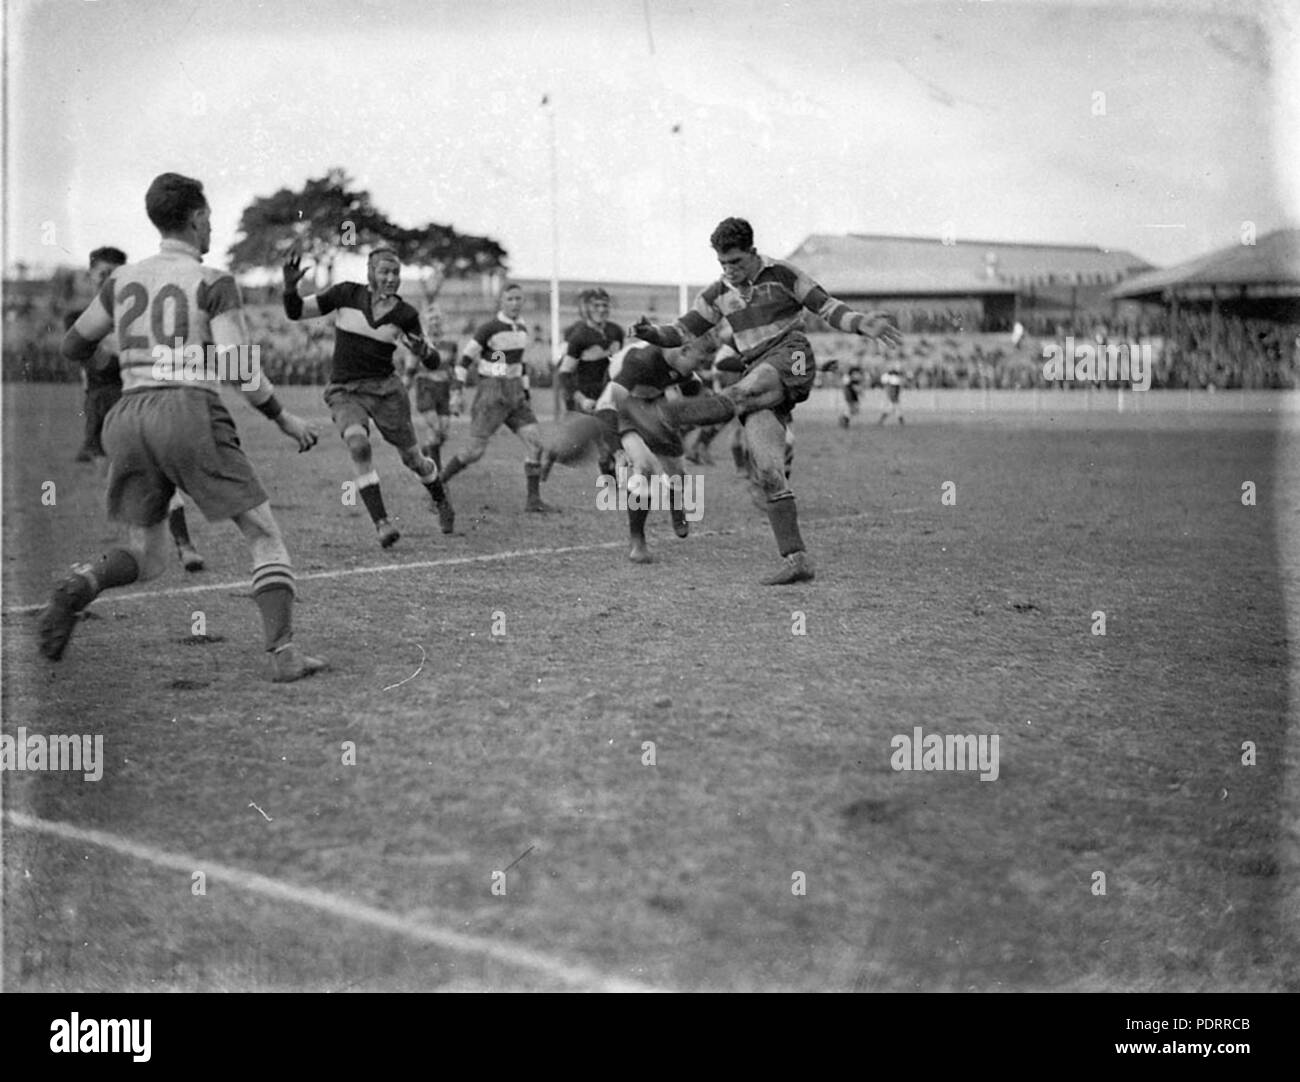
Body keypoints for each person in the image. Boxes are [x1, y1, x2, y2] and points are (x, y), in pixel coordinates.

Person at [40, 172, 325, 681]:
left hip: (126, 417)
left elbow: (73, 346)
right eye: (209, 218)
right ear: (196, 219)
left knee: (146, 555)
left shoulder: (121, 281)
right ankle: (285, 656)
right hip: (187, 410)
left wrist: (124, 362)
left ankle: (82, 583)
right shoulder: (212, 281)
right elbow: (238, 366)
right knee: (262, 533)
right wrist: (282, 416)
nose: (211, 227)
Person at [632, 217, 901, 585]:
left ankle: (667, 415)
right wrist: (651, 333)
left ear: (753, 253)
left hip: (792, 355)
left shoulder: (784, 275)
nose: (730, 270)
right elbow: (681, 331)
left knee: (740, 393)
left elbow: (826, 306)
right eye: (723, 264)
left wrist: (859, 323)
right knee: (770, 473)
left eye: (737, 262)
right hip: (756, 367)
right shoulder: (716, 294)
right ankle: (797, 559)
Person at [283, 246, 454, 541]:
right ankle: (382, 524)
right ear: (370, 273)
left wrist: (424, 350)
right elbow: (296, 311)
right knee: (358, 444)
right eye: (384, 272)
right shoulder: (345, 294)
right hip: (345, 390)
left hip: (386, 391)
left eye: (395, 273)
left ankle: (441, 499)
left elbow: (433, 360)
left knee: (414, 459)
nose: (390, 278)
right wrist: (289, 287)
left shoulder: (406, 314)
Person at [68, 248, 208, 571]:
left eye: (114, 274)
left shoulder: (139, 315)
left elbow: (105, 358)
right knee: (114, 480)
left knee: (154, 475)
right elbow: (92, 358)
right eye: (102, 274)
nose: (108, 279)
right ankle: (139, 548)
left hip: (131, 398)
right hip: (97, 405)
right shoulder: (81, 315)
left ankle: (184, 544)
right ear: (91, 275)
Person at [547, 335, 695, 564]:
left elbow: (692, 390)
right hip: (624, 410)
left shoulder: (680, 362)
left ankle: (677, 506)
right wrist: (616, 449)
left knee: (677, 472)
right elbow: (608, 408)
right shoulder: (635, 365)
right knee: (644, 469)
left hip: (655, 407)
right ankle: (637, 540)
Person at [439, 282, 558, 513]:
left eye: (518, 299)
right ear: (501, 302)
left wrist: (525, 392)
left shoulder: (522, 329)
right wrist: (456, 391)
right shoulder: (489, 329)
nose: (515, 303)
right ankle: (437, 485)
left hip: (515, 394)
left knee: (535, 443)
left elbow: (520, 364)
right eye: (510, 299)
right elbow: (464, 360)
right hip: (491, 392)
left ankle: (533, 501)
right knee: (474, 451)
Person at [405, 303, 457, 477]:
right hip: (425, 387)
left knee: (442, 433)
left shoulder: (450, 343)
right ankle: (438, 474)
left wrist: (458, 393)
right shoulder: (420, 343)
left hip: (444, 390)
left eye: (437, 319)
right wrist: (403, 390)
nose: (434, 322)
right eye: (431, 319)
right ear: (425, 323)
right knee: (435, 428)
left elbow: (454, 368)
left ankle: (422, 455)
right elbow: (410, 369)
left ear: (442, 321)